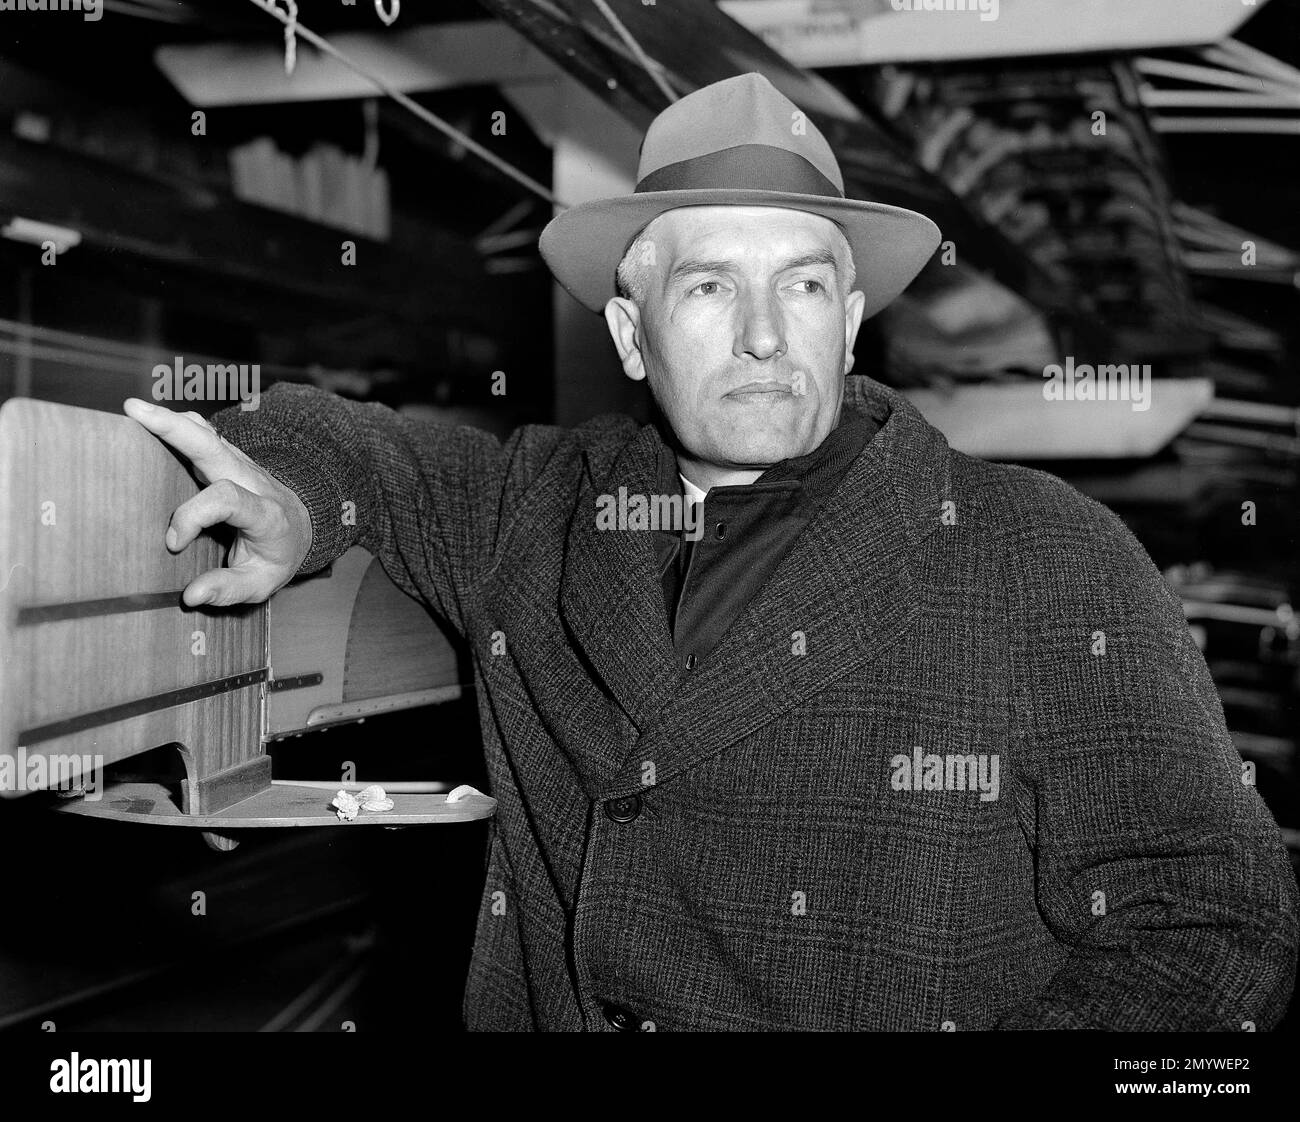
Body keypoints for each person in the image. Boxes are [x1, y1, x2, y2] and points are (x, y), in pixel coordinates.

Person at [123, 73, 1298, 1031]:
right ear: (631, 335)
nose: (760, 334)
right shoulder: (533, 507)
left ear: (848, 321)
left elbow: (1208, 919)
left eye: (801, 283)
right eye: (706, 287)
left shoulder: (1045, 555)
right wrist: (285, 488)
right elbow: (355, 445)